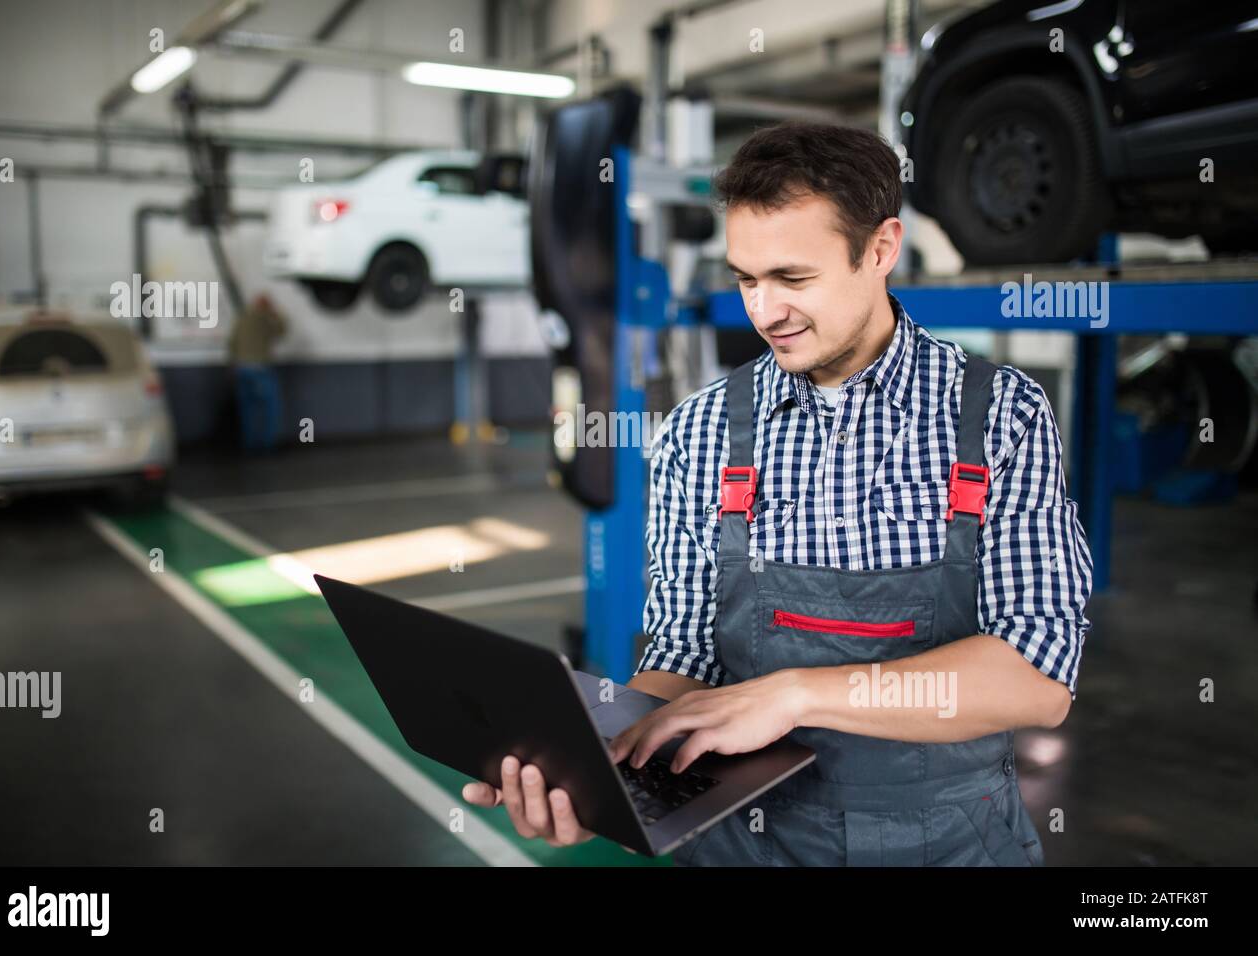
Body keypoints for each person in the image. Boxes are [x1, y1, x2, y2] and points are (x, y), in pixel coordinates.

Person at [462, 122, 1093, 866]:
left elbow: (1038, 675)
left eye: (793, 279)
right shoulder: (700, 432)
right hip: (743, 846)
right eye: (745, 279)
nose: (765, 313)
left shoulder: (1000, 417)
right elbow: (685, 655)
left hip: (949, 844)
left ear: (882, 249)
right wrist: (604, 764)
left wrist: (796, 693)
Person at [228, 292, 287, 453]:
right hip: (261, 368)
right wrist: (277, 314)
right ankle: (268, 444)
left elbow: (232, 343)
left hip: (241, 368)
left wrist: (232, 366)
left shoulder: (242, 319)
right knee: (271, 407)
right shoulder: (265, 319)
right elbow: (282, 331)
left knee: (247, 409)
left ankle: (249, 444)